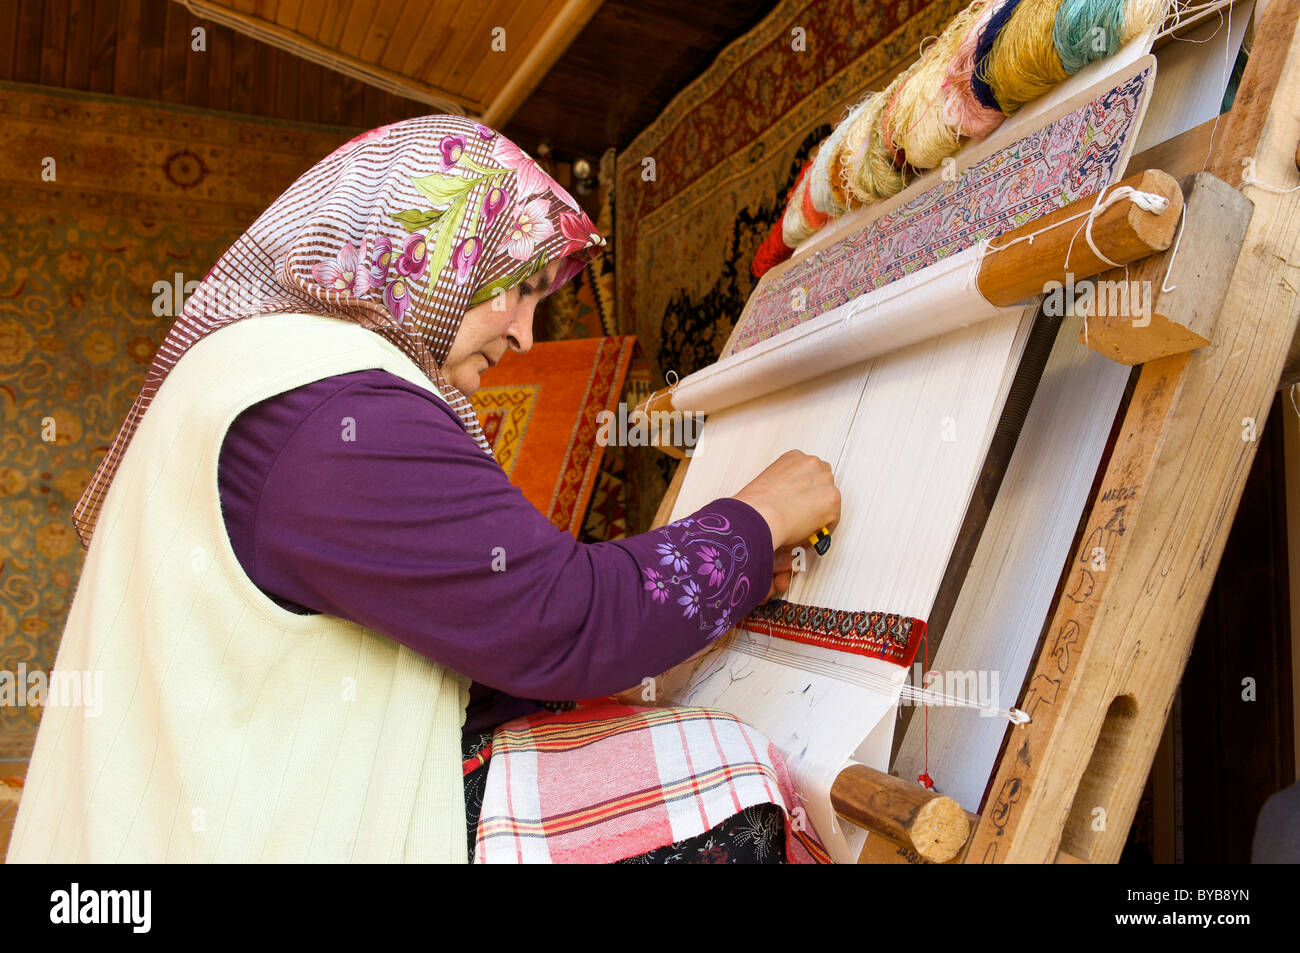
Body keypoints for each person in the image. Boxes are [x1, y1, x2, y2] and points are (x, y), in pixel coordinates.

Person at [9, 115, 839, 864]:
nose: (523, 333)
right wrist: (755, 519)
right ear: (432, 252)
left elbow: (472, 635)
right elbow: (561, 613)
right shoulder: (333, 407)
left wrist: (667, 622)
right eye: (514, 287)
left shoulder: (269, 374)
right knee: (732, 781)